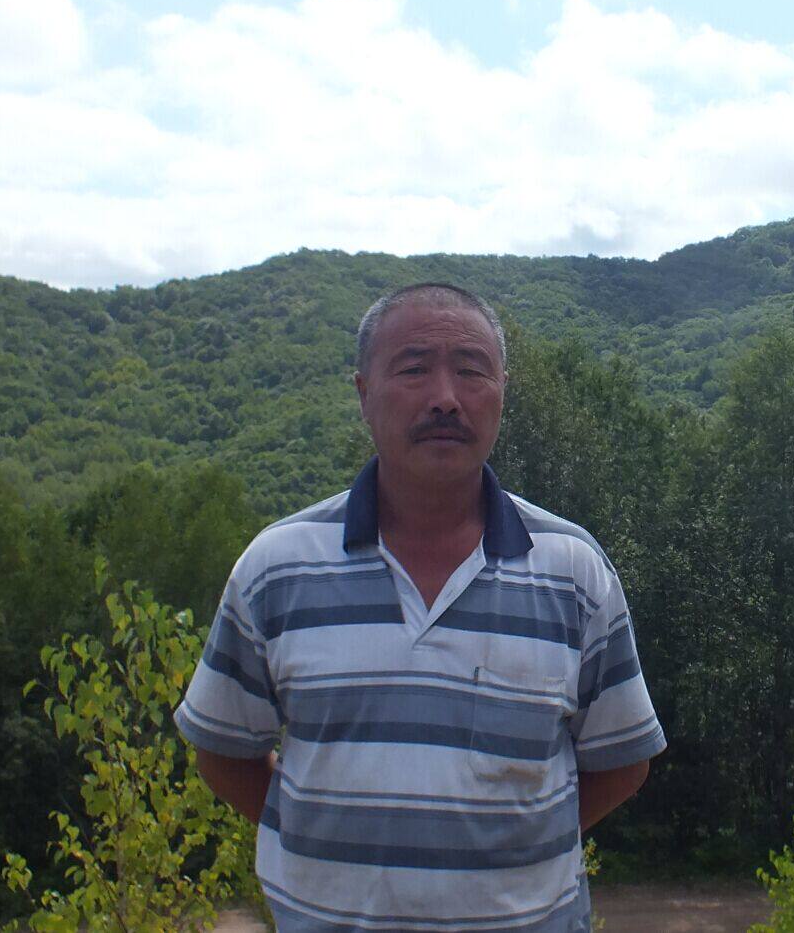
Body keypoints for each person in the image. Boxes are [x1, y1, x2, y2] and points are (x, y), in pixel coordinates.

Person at [176, 283, 665, 932]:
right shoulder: (277, 567)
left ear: (502, 391)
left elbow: (622, 760)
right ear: (363, 394)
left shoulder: (572, 570)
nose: (445, 397)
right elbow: (223, 750)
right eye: (412, 369)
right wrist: (320, 838)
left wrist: (517, 849)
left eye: (471, 371)